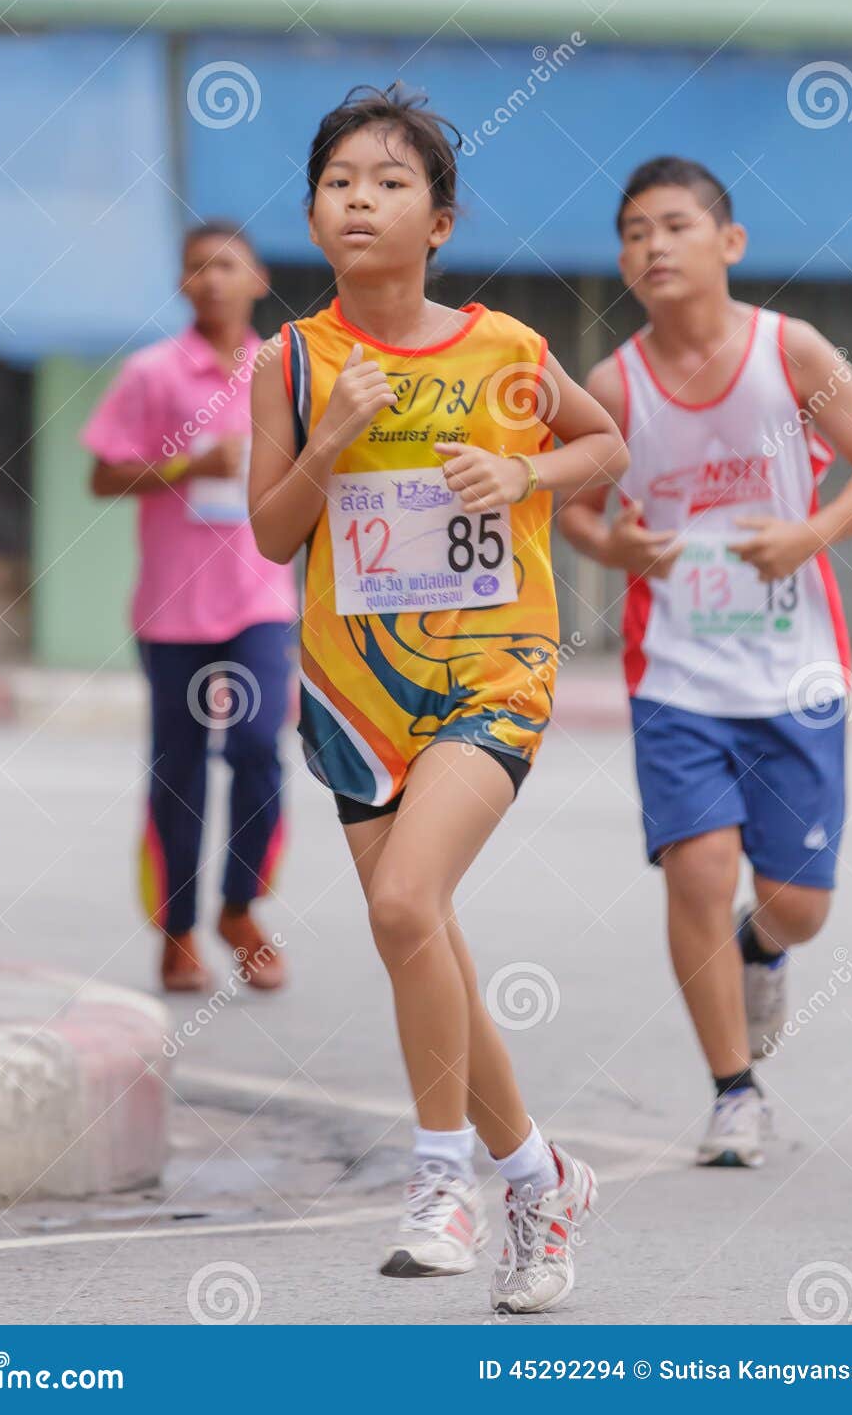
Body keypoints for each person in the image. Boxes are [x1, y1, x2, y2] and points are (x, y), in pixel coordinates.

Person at [248, 84, 627, 1314]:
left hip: (492, 662)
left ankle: (439, 1178)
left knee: (406, 903)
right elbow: (268, 535)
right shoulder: (294, 359)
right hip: (352, 689)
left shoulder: (503, 347)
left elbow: (603, 446)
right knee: (424, 940)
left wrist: (519, 466)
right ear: (312, 214)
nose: (360, 197)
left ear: (440, 221)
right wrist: (327, 442)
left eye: (389, 180)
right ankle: (540, 1175)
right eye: (340, 180)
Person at [558, 156, 852, 1167]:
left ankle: (761, 948)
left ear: (728, 243)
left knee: (796, 901)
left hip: (792, 671)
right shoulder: (609, 384)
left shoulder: (788, 351)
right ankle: (731, 1092)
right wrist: (611, 547)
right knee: (698, 868)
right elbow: (573, 505)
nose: (651, 246)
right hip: (672, 672)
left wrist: (810, 533)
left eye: (673, 225)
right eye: (632, 232)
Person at [82, 222, 297, 994]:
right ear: (180, 284)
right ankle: (176, 932)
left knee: (255, 749)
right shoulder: (151, 373)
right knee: (177, 770)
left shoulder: (286, 370)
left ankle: (240, 910)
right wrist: (186, 464)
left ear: (258, 278)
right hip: (171, 611)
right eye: (196, 268)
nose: (211, 280)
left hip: (259, 602)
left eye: (227, 265)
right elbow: (101, 478)